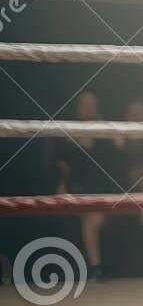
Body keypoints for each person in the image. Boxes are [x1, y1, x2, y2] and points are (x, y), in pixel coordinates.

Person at [47, 90, 120, 281]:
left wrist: (98, 139)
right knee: (59, 206)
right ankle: (59, 268)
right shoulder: (69, 134)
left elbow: (114, 163)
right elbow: (63, 166)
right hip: (78, 189)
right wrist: (63, 183)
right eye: (83, 104)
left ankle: (96, 268)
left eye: (91, 104)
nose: (88, 108)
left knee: (90, 218)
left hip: (103, 191)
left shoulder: (106, 132)